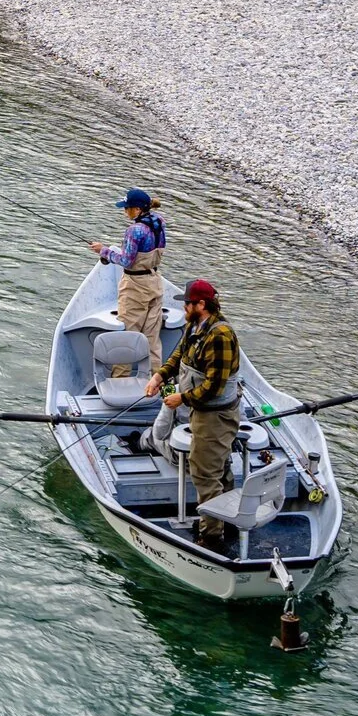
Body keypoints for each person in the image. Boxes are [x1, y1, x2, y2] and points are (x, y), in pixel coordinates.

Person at [140, 277, 243, 552]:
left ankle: (212, 538)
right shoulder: (195, 325)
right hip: (202, 412)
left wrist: (181, 399)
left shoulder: (220, 336)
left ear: (201, 304)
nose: (184, 307)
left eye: (187, 303)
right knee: (219, 467)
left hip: (216, 416)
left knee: (205, 473)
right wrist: (160, 376)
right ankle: (227, 519)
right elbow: (180, 356)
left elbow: (214, 387)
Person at [87, 189, 166, 373]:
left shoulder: (134, 231)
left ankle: (121, 381)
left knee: (127, 336)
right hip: (154, 281)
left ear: (137, 210)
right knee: (152, 339)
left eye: (127, 208)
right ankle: (155, 382)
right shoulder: (159, 222)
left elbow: (126, 260)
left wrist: (103, 250)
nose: (125, 212)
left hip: (135, 286)